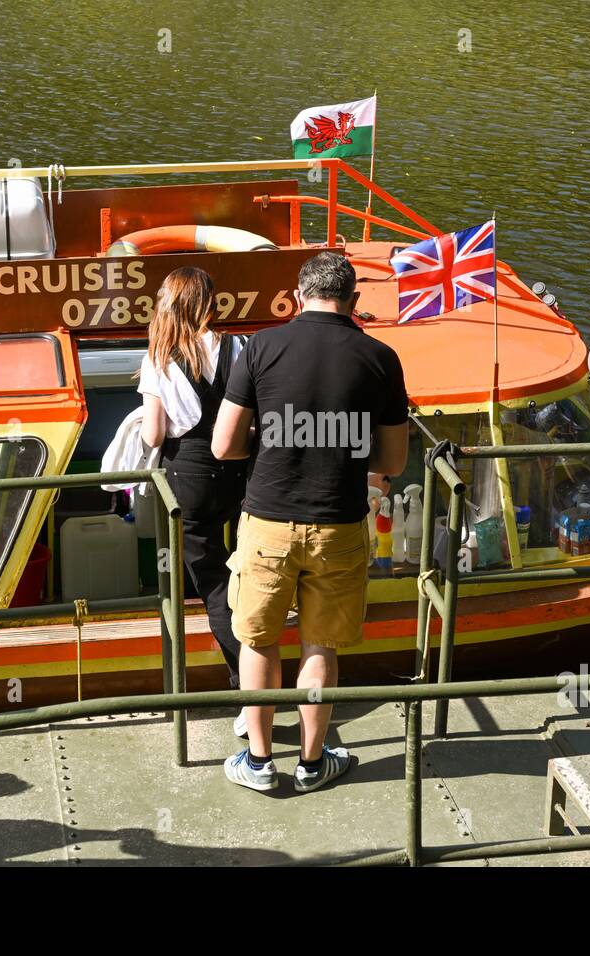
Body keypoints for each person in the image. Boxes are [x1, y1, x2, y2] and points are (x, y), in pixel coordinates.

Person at [212, 251, 409, 793]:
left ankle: (257, 762)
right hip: (339, 525)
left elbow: (225, 445)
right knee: (321, 645)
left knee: (257, 640)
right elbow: (391, 463)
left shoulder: (261, 347)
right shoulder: (380, 357)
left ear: (298, 295)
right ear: (355, 301)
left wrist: (277, 438)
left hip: (267, 522)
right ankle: (312, 762)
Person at [138, 267, 249, 704]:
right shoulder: (238, 346)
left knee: (212, 579)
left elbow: (153, 435)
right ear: (208, 302)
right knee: (243, 562)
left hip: (190, 477)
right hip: (238, 471)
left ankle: (246, 679)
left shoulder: (159, 357)